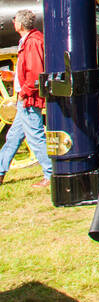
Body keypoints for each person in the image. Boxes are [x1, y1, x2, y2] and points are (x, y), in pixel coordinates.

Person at [0, 10, 52, 187]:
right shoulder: (30, 40)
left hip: (28, 99)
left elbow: (36, 73)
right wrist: (14, 76)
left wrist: (24, 92)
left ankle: (51, 173)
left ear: (20, 25)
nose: (13, 22)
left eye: (14, 20)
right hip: (26, 97)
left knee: (35, 137)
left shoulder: (33, 42)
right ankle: (0, 172)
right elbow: (29, 70)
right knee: (13, 138)